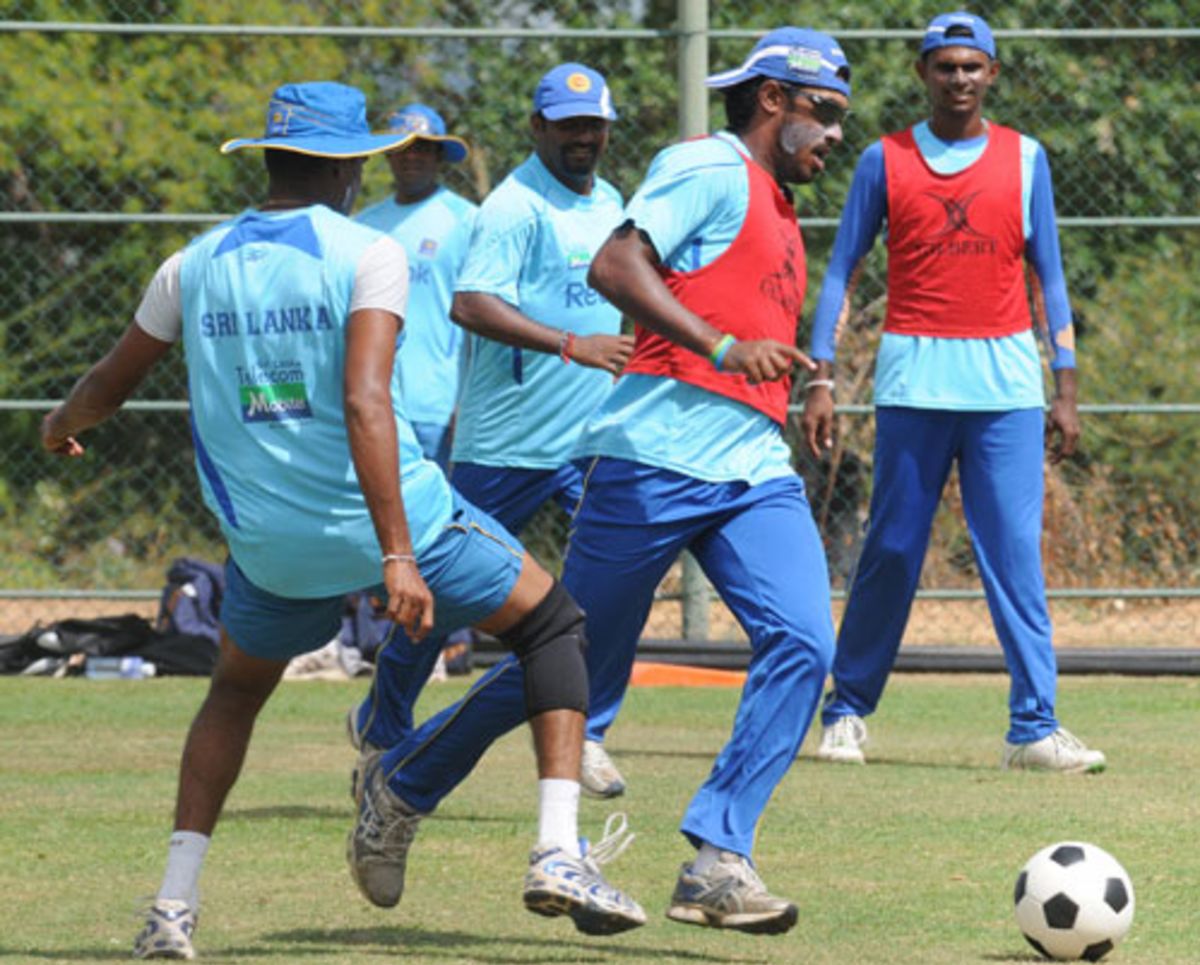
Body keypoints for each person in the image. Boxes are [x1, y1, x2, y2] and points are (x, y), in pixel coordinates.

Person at [40, 81, 644, 961]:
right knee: (555, 624)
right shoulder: (368, 252)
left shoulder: (193, 263)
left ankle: (173, 905)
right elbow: (367, 402)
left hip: (269, 550)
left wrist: (60, 425)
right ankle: (557, 849)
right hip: (395, 524)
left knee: (235, 693)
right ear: (349, 168)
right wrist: (397, 554)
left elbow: (108, 383)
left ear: (269, 157)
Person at [347, 27, 852, 936]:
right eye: (824, 111)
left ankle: (718, 855)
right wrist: (721, 344)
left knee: (808, 643)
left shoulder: (778, 201)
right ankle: (402, 779)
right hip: (653, 458)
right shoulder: (706, 165)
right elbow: (615, 266)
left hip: (752, 466)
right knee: (568, 661)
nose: (836, 134)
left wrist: (807, 376)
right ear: (772, 100)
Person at [802, 12, 1106, 774]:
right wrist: (822, 372)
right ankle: (845, 713)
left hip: (1006, 383)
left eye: (973, 66)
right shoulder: (883, 158)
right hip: (915, 378)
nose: (960, 78)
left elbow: (1051, 278)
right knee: (893, 550)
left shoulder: (1026, 158)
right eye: (946, 66)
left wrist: (1065, 387)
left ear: (993, 75)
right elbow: (843, 269)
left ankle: (1034, 727)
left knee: (1011, 553)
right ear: (923, 74)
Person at [350, 63, 634, 799]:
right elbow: (471, 305)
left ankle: (592, 728)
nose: (582, 137)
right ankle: (382, 726)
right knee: (438, 599)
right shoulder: (511, 205)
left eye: (592, 124)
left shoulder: (611, 201)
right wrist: (573, 345)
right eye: (567, 125)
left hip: (590, 440)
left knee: (610, 588)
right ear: (538, 128)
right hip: (505, 445)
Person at [355, 103, 476, 470]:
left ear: (439, 155)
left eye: (422, 147)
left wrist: (466, 402)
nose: (412, 157)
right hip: (375, 400)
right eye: (402, 147)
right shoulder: (363, 225)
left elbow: (482, 320)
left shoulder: (467, 220)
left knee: (438, 520)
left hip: (438, 406)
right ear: (388, 154)